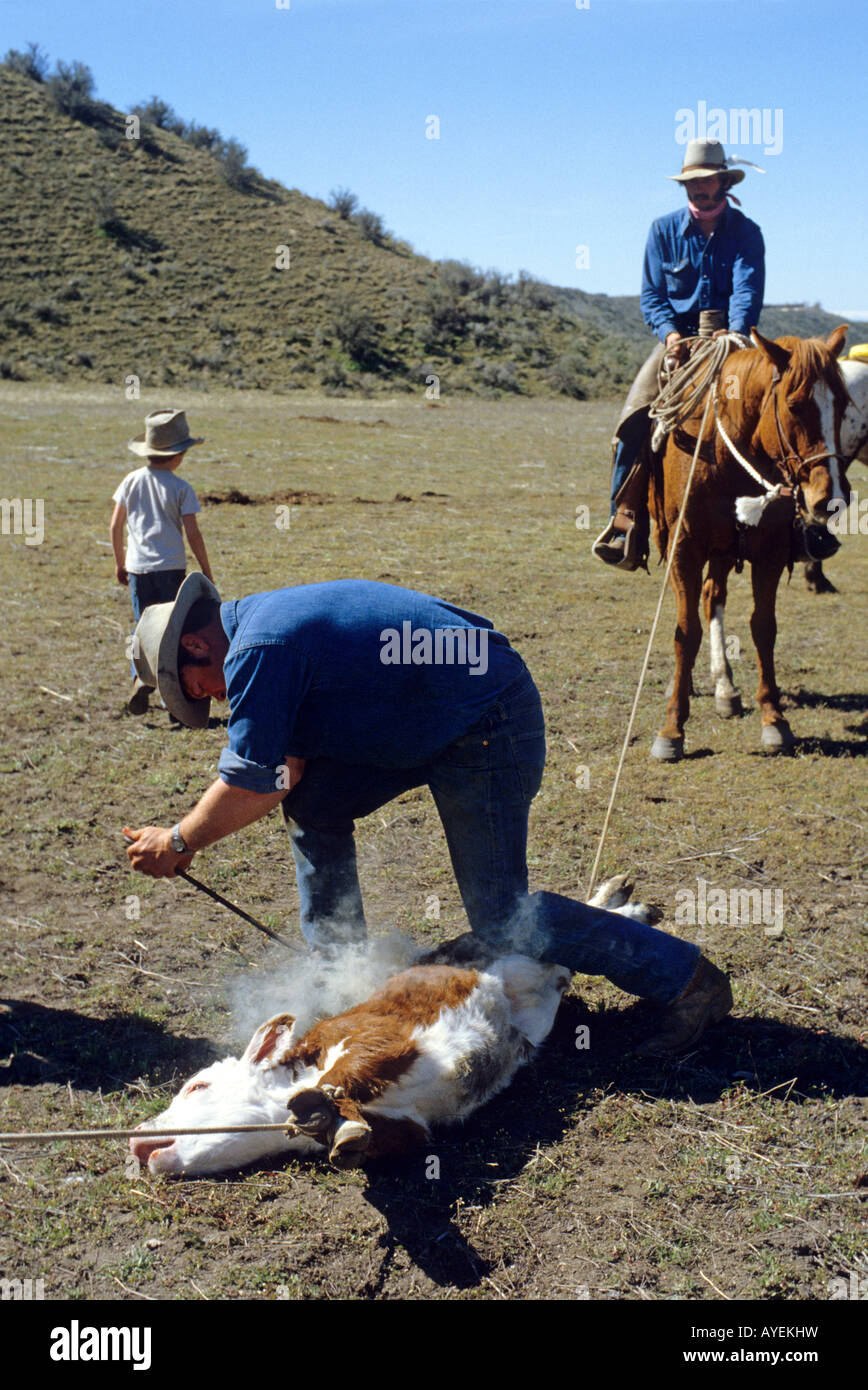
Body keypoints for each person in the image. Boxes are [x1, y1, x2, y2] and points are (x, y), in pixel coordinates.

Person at [122, 574, 733, 1055]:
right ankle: (342, 973)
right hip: (440, 719)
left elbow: (252, 780)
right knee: (316, 805)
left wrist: (179, 839)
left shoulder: (258, 649)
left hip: (486, 724)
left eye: (198, 688)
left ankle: (686, 980)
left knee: (500, 917)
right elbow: (287, 774)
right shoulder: (264, 630)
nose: (213, 699)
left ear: (198, 645)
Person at [592, 139, 765, 569]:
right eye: (694, 189)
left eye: (709, 188)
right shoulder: (661, 231)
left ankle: (794, 525)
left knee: (780, 409)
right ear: (685, 188)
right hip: (679, 339)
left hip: (731, 338)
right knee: (635, 416)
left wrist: (737, 334)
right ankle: (626, 518)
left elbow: (747, 289)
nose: (701, 196)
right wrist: (670, 338)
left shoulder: (747, 232)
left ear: (724, 184)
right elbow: (652, 297)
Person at [110, 408, 215, 715]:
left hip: (139, 567)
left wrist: (120, 562)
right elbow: (194, 534)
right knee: (172, 629)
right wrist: (206, 570)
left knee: (142, 625)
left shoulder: (131, 480)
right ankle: (173, 695)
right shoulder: (181, 488)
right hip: (172, 567)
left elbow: (115, 525)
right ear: (180, 454)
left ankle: (139, 679)